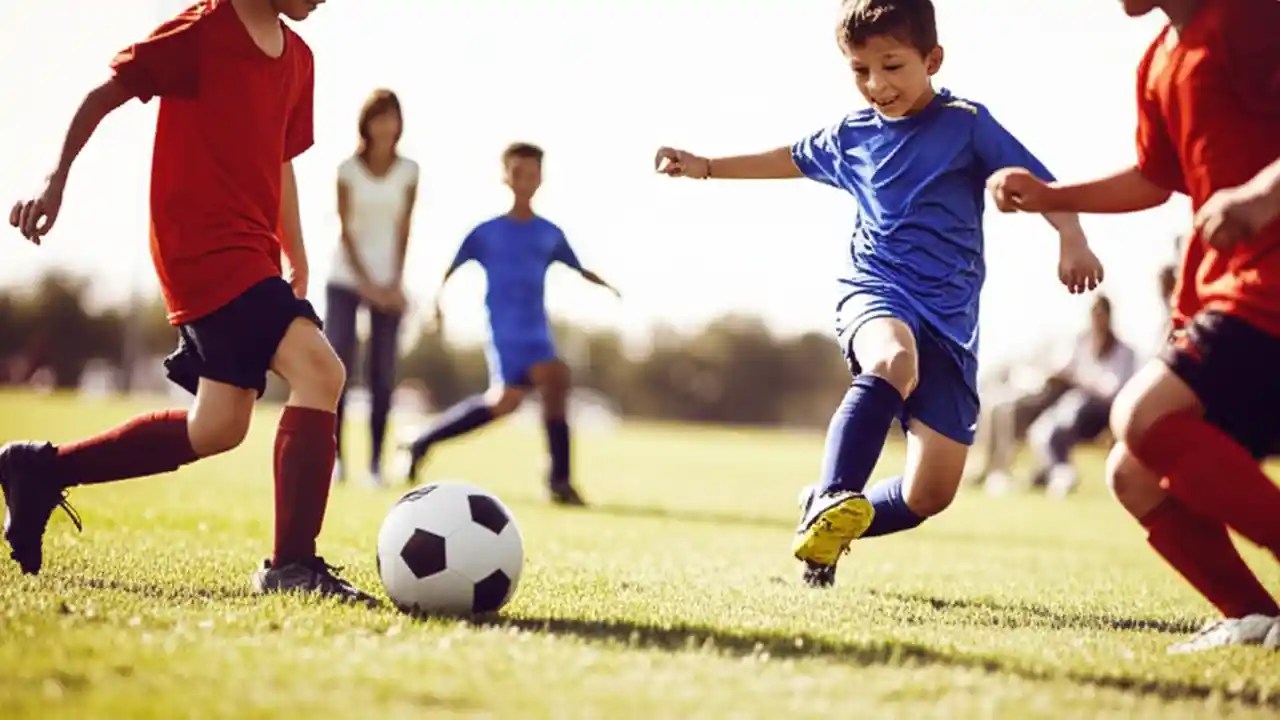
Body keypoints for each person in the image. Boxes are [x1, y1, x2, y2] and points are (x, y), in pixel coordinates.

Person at [655, 0, 1103, 588]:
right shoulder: (851, 135)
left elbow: (1040, 185)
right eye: (861, 70)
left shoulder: (967, 124)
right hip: (876, 292)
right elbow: (786, 159)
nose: (877, 84)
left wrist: (1072, 237)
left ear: (932, 59)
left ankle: (826, 520)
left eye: (892, 66)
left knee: (930, 493)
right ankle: (833, 497)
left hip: (951, 321)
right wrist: (706, 165)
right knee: (893, 360)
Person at [2, 0, 377, 605]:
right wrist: (55, 178)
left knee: (220, 426)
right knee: (321, 370)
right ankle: (292, 566)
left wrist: (296, 250)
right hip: (201, 248)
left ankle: (40, 469)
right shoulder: (203, 30)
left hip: (252, 254)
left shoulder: (299, 59)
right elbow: (105, 93)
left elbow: (281, 163)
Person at [986, 0, 1280, 652]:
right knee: (1132, 472)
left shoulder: (1249, 18)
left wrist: (1262, 196)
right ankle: (1254, 616)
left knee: (1140, 416)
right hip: (1225, 291)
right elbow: (1156, 176)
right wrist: (1051, 195)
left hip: (1269, 288)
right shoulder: (1158, 60)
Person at [400, 143, 619, 506]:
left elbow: (577, 266)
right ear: (506, 176)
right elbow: (451, 266)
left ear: (541, 178)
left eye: (531, 174)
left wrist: (607, 286)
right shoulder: (486, 232)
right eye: (517, 173)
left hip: (537, 329)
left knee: (514, 399)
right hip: (505, 330)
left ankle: (423, 442)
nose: (524, 180)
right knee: (540, 385)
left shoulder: (549, 233)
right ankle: (559, 480)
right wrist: (437, 303)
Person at [325, 88, 419, 487]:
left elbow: (404, 228)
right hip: (346, 280)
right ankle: (337, 460)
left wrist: (393, 283)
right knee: (337, 370)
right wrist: (365, 284)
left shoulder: (409, 171)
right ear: (366, 123)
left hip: (388, 284)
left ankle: (376, 465)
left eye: (392, 117)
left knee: (382, 374)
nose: (386, 125)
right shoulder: (348, 169)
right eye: (379, 117)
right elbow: (345, 228)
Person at [1022, 295, 1136, 497]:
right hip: (1074, 401)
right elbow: (1065, 369)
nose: (1097, 318)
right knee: (1043, 428)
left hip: (1101, 412)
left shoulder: (1124, 351)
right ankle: (1056, 471)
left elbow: (1113, 389)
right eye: (1094, 313)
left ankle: (1058, 473)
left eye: (1101, 313)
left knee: (1069, 415)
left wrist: (1081, 379)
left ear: (1109, 316)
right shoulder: (1081, 342)